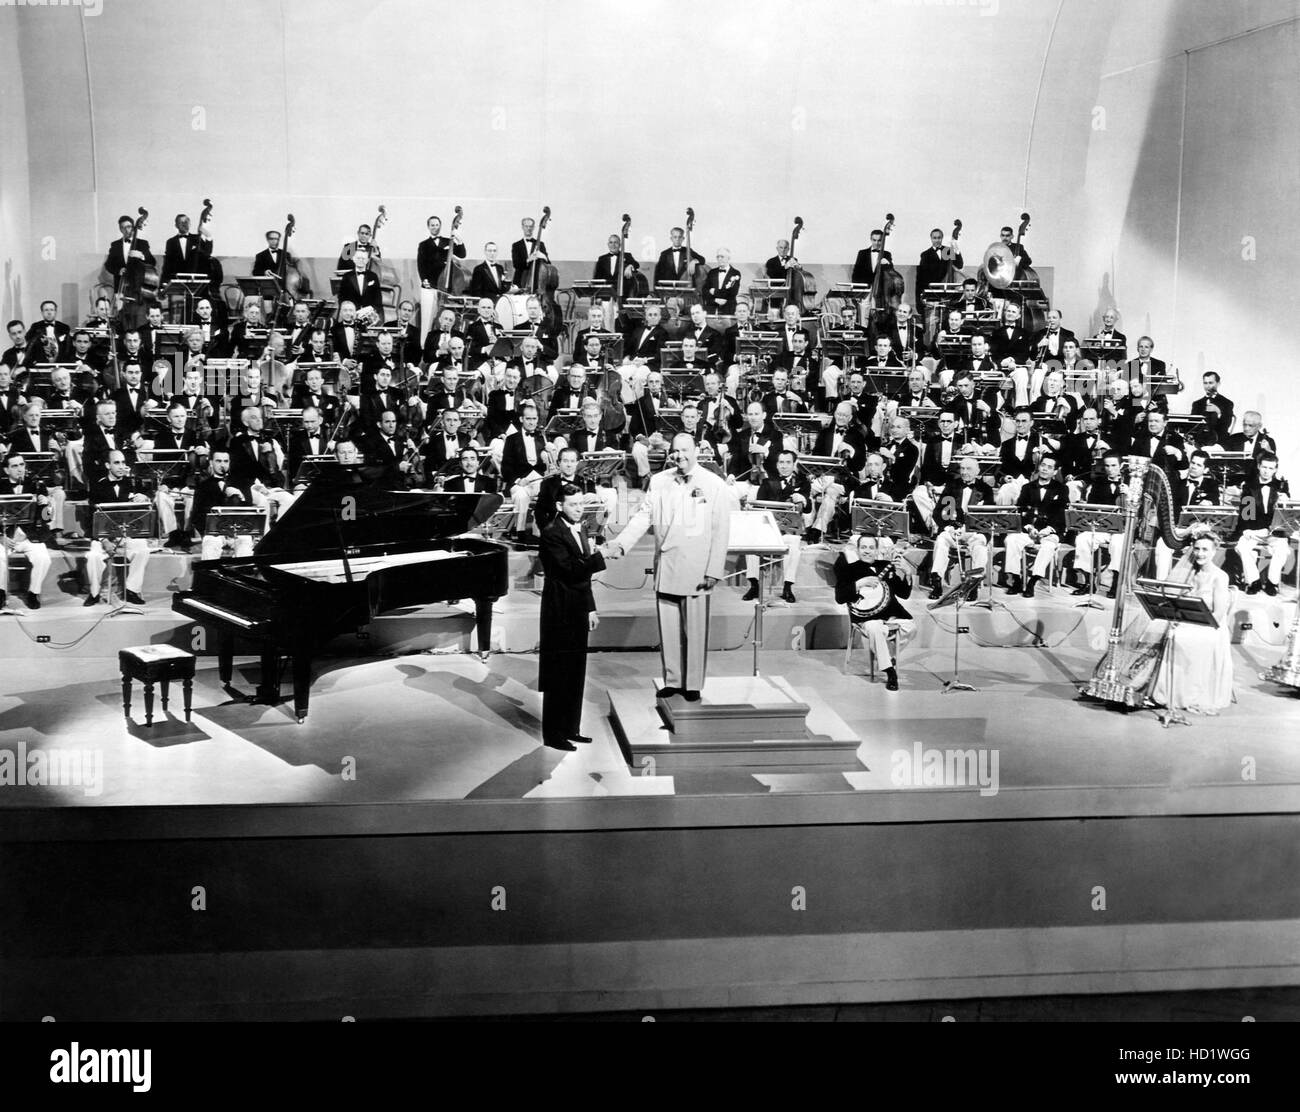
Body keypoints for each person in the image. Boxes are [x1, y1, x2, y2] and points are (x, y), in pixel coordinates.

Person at [607, 433, 737, 701]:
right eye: (675, 451)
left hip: (697, 568)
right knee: (668, 629)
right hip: (667, 565)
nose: (680, 456)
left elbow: (721, 530)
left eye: (685, 450)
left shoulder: (714, 484)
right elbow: (644, 516)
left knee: (695, 631)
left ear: (696, 451)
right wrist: (622, 544)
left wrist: (714, 570)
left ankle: (693, 684)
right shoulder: (658, 481)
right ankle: (673, 680)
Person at [538, 483, 610, 751]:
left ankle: (571, 728)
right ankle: (553, 734)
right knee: (558, 671)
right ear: (560, 506)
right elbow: (570, 570)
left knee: (577, 669)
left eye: (581, 504)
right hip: (559, 608)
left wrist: (590, 607)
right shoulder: (551, 532)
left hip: (578, 605)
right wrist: (602, 555)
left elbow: (584, 577)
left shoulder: (581, 528)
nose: (579, 509)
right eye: (573, 505)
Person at [1148, 533, 1234, 714]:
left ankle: (1187, 695)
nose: (1200, 553)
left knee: (1181, 637)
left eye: (1205, 550)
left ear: (1214, 551)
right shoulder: (1189, 573)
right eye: (1197, 549)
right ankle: (1168, 692)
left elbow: (1218, 614)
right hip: (1191, 620)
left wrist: (1192, 624)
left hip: (1211, 625)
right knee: (1166, 630)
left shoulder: (1220, 576)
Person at [834, 534, 914, 691]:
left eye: (871, 547)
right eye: (863, 547)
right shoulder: (848, 570)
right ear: (857, 550)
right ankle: (890, 672)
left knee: (911, 627)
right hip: (867, 617)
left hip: (891, 613)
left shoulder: (886, 566)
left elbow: (903, 594)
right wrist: (858, 584)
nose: (867, 551)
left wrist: (908, 574)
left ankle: (886, 656)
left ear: (877, 550)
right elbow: (840, 598)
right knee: (874, 628)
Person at [85, 450, 152, 606]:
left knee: (143, 550)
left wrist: (145, 497)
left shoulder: (132, 483)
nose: (121, 466)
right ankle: (94, 593)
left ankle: (132, 590)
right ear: (108, 465)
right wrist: (104, 541)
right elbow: (92, 518)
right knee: (93, 556)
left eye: (123, 462)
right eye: (117, 463)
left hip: (127, 534)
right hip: (104, 536)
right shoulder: (97, 486)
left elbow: (146, 506)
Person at [0, 452, 54, 609]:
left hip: (30, 537)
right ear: (6, 470)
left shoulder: (37, 486)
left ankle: (33, 593)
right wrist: (1, 537)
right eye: (14, 466)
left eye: (22, 465)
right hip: (6, 537)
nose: (20, 469)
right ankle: (1, 593)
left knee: (44, 558)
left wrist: (48, 505)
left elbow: (46, 518)